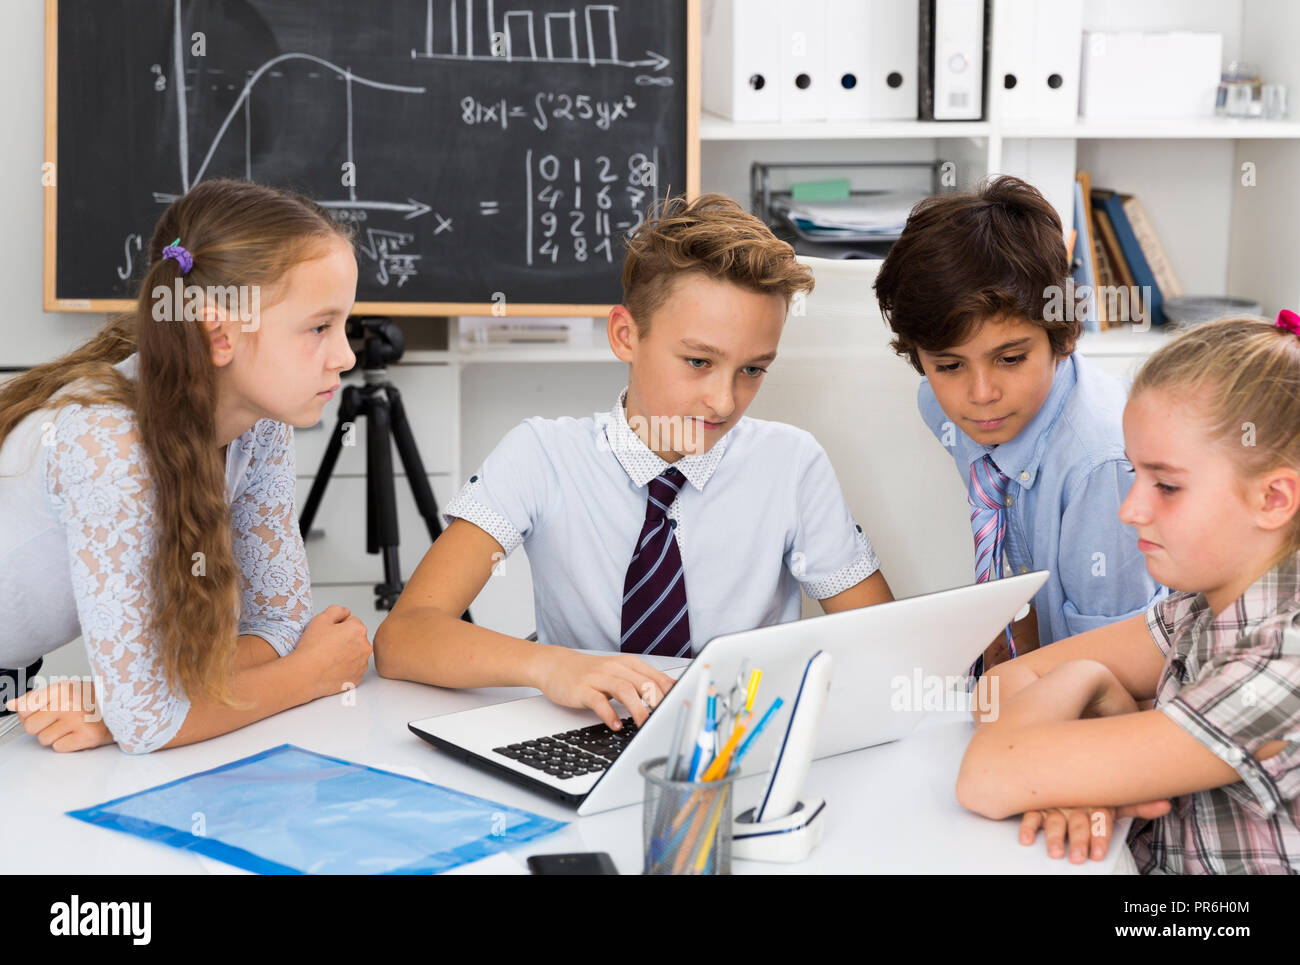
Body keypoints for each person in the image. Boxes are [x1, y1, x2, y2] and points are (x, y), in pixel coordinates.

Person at [375, 194, 893, 730]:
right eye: (698, 361)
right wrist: (553, 666)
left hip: (736, 742)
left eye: (753, 369)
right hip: (585, 733)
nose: (723, 400)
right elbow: (404, 637)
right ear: (626, 335)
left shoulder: (792, 465)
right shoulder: (541, 456)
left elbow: (885, 644)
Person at [0, 178, 371, 753]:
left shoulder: (259, 421)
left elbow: (281, 627)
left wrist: (122, 700)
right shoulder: (108, 442)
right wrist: (312, 674)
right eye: (319, 327)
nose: (346, 356)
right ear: (219, 335)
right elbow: (149, 724)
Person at [958, 315, 1300, 874]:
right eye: (1136, 474)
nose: (1130, 509)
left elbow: (988, 775)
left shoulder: (1286, 660)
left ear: (1273, 499)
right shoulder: (1198, 606)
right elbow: (997, 688)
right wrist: (1077, 772)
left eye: (1165, 485)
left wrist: (1081, 686)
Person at [874, 174, 1162, 673]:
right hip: (1043, 664)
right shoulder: (942, 406)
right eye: (949, 366)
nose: (981, 395)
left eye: (1010, 359)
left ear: (1065, 332)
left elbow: (1120, 666)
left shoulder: (1102, 465)